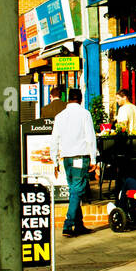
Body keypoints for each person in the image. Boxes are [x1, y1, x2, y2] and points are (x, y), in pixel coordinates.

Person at [52, 88, 98, 236]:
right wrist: (93, 158)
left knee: (74, 191)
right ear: (80, 98)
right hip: (80, 157)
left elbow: (55, 139)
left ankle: (79, 225)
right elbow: (90, 137)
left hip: (66, 158)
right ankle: (68, 224)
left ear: (68, 99)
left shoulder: (60, 116)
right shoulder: (85, 114)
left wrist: (55, 160)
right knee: (77, 191)